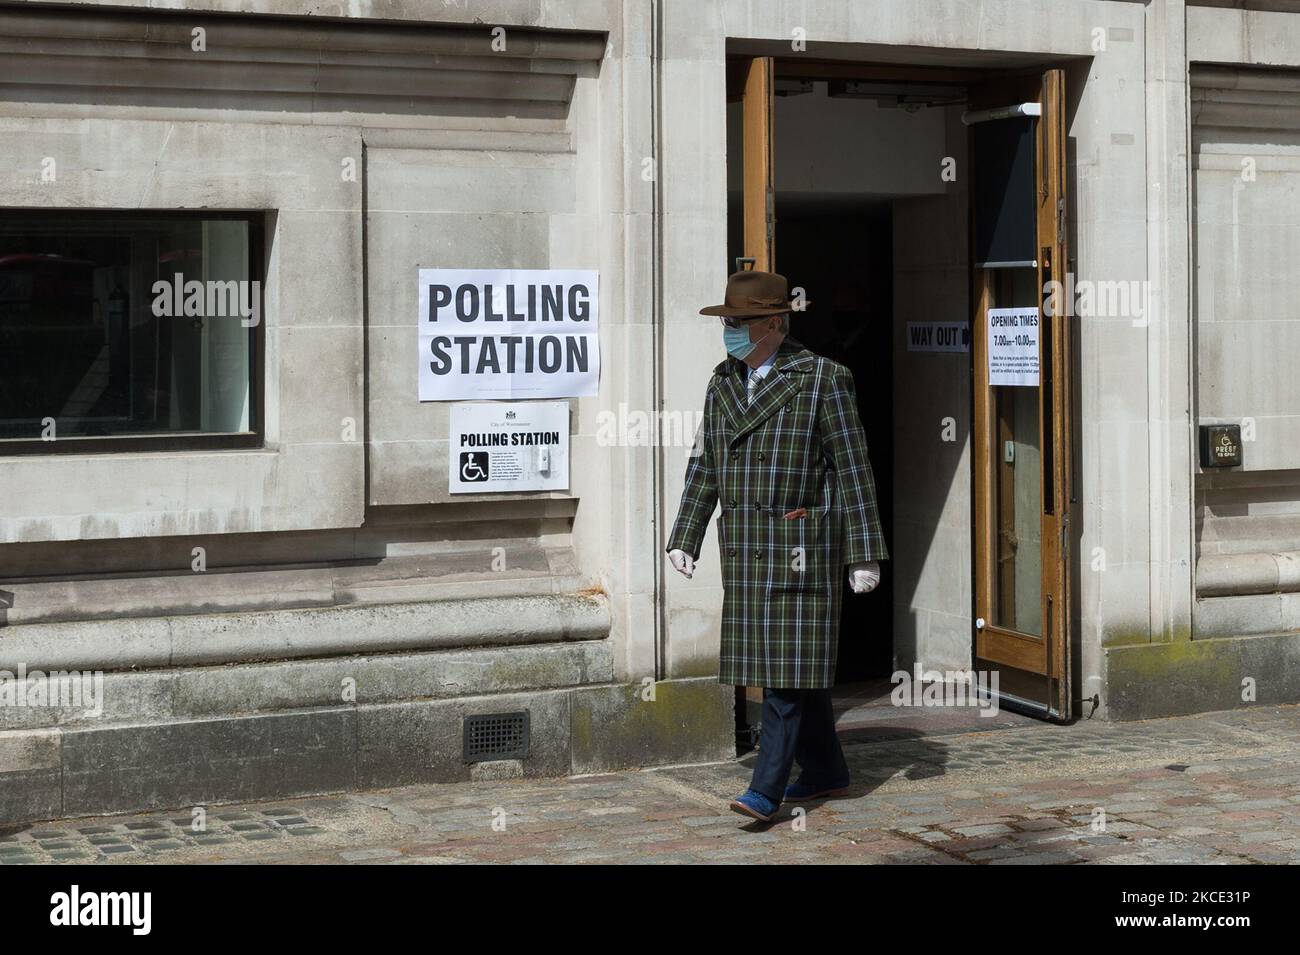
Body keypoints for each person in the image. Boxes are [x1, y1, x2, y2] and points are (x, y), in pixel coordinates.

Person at [666, 267, 889, 822]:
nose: (732, 332)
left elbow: (853, 468)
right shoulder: (722, 380)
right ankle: (826, 771)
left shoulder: (822, 377)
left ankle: (765, 790)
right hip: (744, 546)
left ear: (775, 322)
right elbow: (705, 464)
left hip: (799, 547)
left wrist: (862, 550)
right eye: (729, 322)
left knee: (783, 675)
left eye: (741, 323)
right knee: (792, 670)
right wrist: (685, 534)